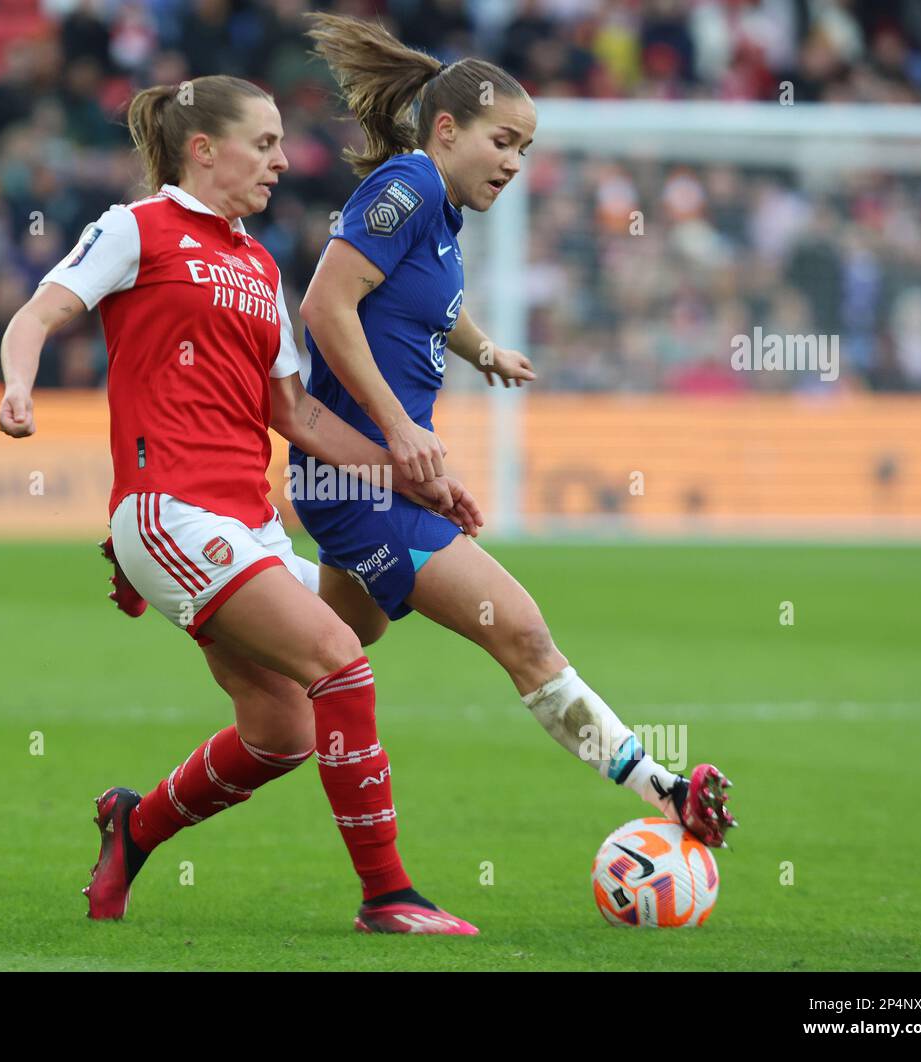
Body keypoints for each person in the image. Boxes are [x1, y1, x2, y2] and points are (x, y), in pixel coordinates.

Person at [0, 74, 485, 934]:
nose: (282, 160)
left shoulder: (259, 265)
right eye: (264, 144)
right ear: (202, 149)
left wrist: (412, 473)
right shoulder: (135, 228)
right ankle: (388, 897)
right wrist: (18, 390)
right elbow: (38, 313)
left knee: (282, 731)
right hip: (167, 512)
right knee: (341, 656)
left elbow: (295, 415)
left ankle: (132, 828)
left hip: (245, 523)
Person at [291, 13, 737, 847]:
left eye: (524, 150)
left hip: (367, 481)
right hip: (363, 483)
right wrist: (400, 431)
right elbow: (324, 303)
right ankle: (665, 787)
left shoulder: (440, 218)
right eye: (503, 141)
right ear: (448, 128)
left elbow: (429, 305)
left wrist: (485, 349)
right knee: (524, 633)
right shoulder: (409, 188)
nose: (514, 163)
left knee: (332, 654)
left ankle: (213, 657)